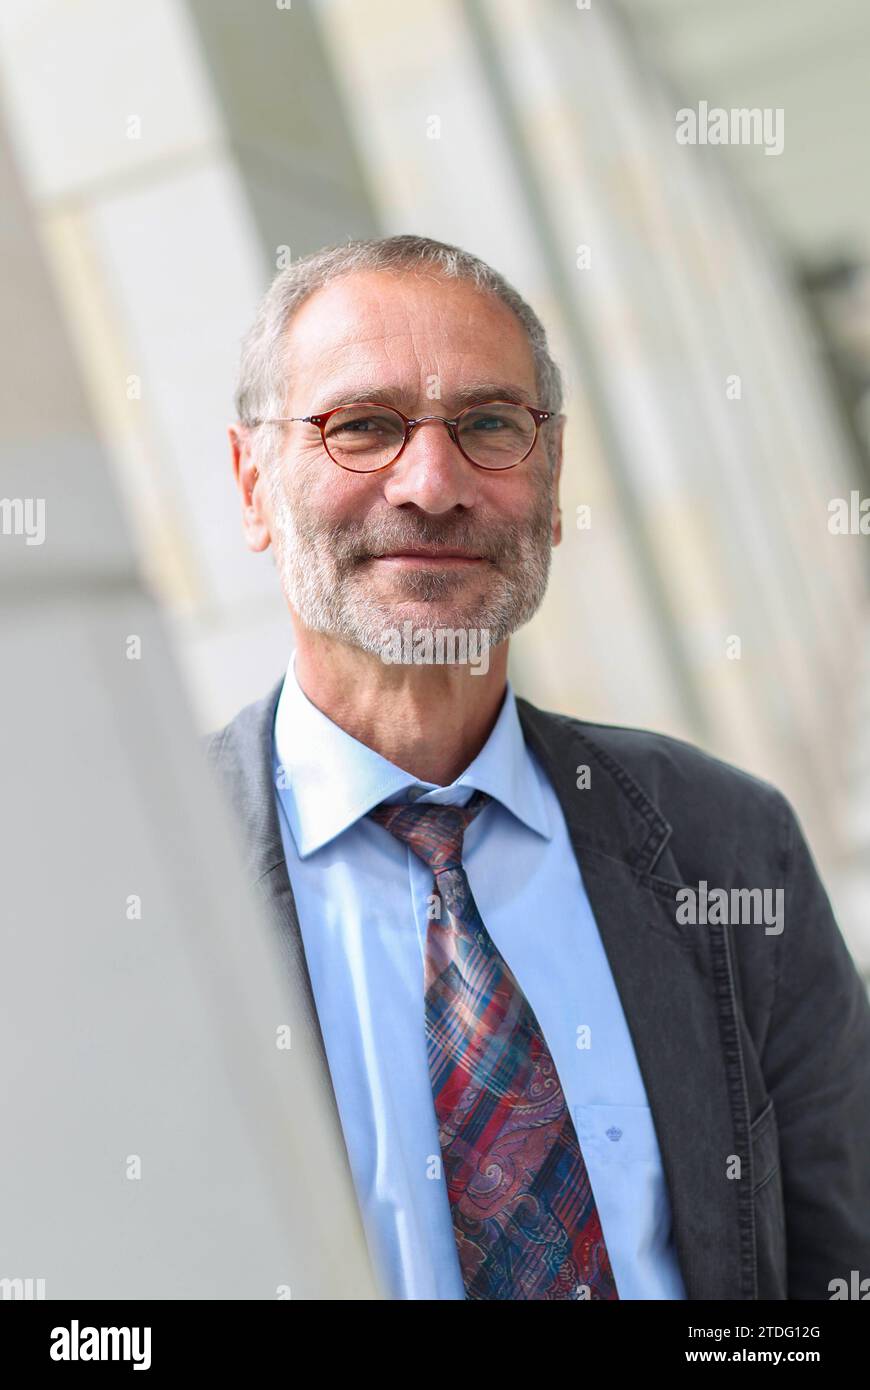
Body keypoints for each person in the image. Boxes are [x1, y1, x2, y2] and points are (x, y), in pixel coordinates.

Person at [205, 233, 870, 1301]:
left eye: (488, 426)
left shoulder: (734, 843)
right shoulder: (137, 892)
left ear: (551, 482)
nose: (432, 483)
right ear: (252, 484)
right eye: (364, 426)